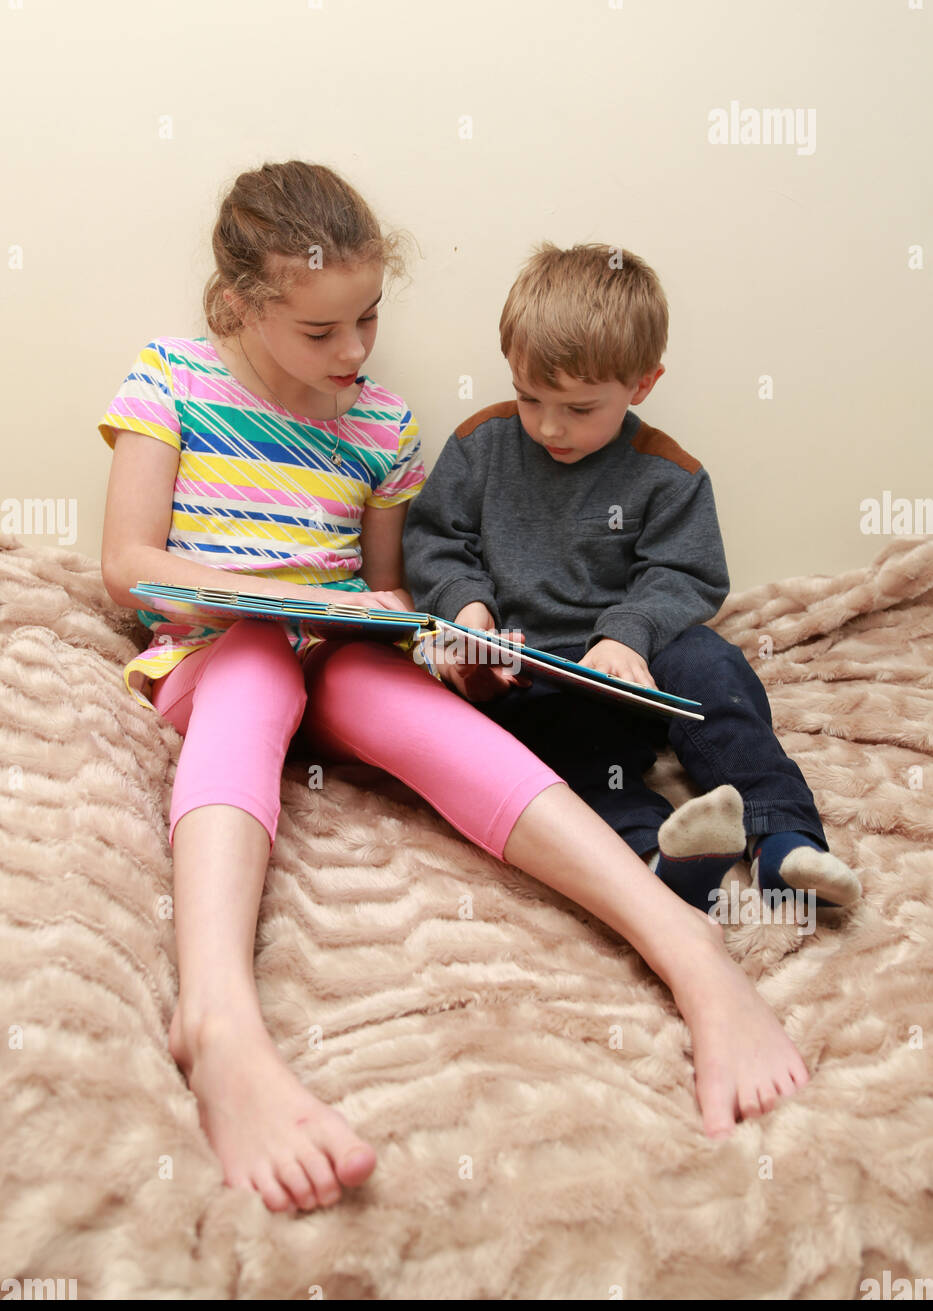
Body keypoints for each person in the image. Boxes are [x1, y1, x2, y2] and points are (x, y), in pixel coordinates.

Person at [99, 163, 810, 1218]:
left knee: (427, 718)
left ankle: (685, 942)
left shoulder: (382, 425)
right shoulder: (169, 380)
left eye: (369, 321)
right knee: (253, 664)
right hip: (224, 649)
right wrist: (278, 598)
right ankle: (217, 1018)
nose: (353, 353)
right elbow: (129, 563)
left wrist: (434, 636)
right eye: (320, 332)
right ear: (240, 307)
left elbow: (389, 582)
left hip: (342, 648)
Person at [402, 242, 861, 920]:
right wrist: (468, 611)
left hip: (633, 675)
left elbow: (685, 575)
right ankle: (661, 861)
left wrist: (627, 636)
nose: (549, 425)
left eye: (579, 408)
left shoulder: (668, 473)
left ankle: (782, 838)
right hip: (527, 682)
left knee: (712, 661)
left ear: (641, 385)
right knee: (570, 764)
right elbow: (437, 540)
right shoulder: (479, 446)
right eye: (529, 398)